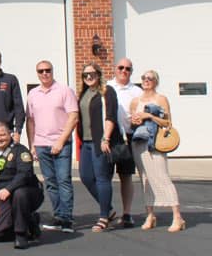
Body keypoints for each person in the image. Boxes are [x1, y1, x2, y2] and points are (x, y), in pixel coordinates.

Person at [25, 59, 78, 233]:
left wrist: (60, 141)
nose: (44, 73)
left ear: (52, 71)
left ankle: (67, 219)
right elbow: (30, 121)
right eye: (41, 71)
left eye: (47, 70)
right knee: (50, 182)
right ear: (37, 73)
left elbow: (73, 117)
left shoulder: (64, 90)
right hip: (41, 144)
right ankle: (58, 215)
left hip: (61, 143)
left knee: (63, 181)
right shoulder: (33, 94)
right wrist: (32, 145)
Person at [130, 70, 185, 232]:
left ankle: (177, 217)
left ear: (156, 82)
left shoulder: (161, 99)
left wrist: (149, 116)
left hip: (155, 143)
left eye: (150, 78)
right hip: (139, 144)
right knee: (145, 179)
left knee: (162, 177)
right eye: (144, 78)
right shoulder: (135, 101)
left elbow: (167, 123)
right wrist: (135, 120)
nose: (146, 80)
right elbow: (132, 123)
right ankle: (150, 215)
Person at [0, 122, 44, 249]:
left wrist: (8, 189)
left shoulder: (20, 150)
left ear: (10, 134)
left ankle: (21, 234)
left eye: (2, 135)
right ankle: (29, 221)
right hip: (4, 198)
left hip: (27, 194)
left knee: (19, 194)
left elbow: (25, 174)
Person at [77, 62, 122, 232]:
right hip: (86, 142)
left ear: (99, 74)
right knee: (86, 177)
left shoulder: (107, 91)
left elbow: (110, 116)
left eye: (92, 73)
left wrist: (106, 138)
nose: (89, 77)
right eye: (85, 74)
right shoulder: (84, 93)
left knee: (102, 178)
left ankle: (104, 217)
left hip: (100, 142)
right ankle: (108, 209)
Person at [110, 57, 143, 228]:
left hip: (128, 137)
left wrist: (138, 119)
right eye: (121, 67)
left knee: (126, 175)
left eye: (128, 69)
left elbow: (142, 113)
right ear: (115, 69)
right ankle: (106, 212)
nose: (124, 71)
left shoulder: (137, 91)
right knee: (103, 176)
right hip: (109, 137)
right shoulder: (107, 87)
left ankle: (127, 213)